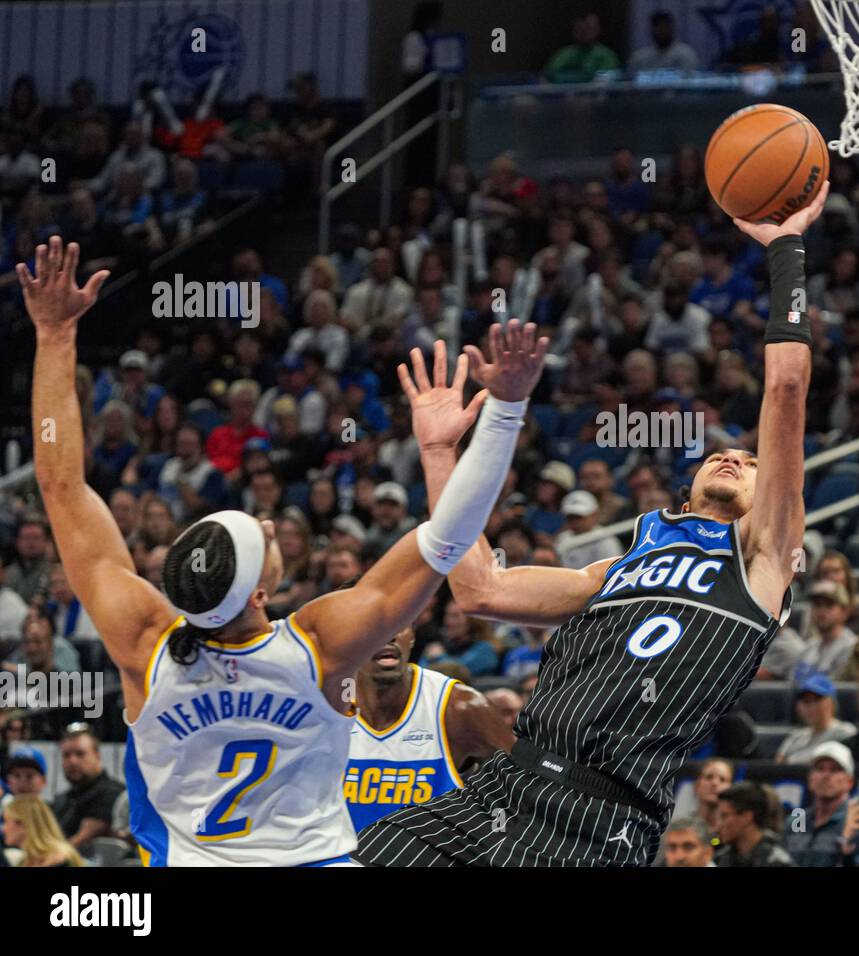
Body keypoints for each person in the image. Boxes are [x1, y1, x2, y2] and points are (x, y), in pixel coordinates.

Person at [20, 236, 542, 865]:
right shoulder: (319, 644)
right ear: (262, 592)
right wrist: (502, 410)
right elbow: (451, 534)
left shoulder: (142, 641)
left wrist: (53, 336)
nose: (270, 526)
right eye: (262, 535)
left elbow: (60, 486)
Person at [353, 184, 829, 867]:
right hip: (503, 785)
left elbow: (785, 387)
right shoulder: (621, 565)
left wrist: (785, 250)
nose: (733, 455)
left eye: (752, 461)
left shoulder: (762, 561)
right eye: (723, 452)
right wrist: (439, 453)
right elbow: (479, 589)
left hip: (598, 817)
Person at [344, 624, 512, 834]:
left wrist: (497, 840)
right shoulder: (324, 703)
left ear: (412, 635)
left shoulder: (460, 706)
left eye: (401, 621)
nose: (390, 634)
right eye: (376, 622)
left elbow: (523, 787)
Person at [783, 741, 859, 866]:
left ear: (849, 781)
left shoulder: (858, 823)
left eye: (835, 770)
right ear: (810, 779)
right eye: (820, 769)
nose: (826, 775)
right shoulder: (796, 820)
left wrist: (848, 844)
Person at [50, 726, 123, 851]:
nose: (72, 761)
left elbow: (81, 839)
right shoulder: (62, 799)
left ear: (97, 755)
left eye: (80, 754)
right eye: (66, 755)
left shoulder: (113, 794)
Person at [775, 670, 856, 764]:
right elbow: (778, 765)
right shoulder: (796, 736)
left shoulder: (844, 732)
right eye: (806, 701)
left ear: (831, 703)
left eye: (817, 700)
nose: (811, 707)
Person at [713, 781, 796, 867]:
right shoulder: (720, 861)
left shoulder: (778, 862)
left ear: (747, 817)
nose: (718, 826)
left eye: (724, 816)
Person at [2, 796, 85, 867]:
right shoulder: (27, 861)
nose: (3, 829)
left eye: (6, 822)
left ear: (24, 824)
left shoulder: (60, 858)